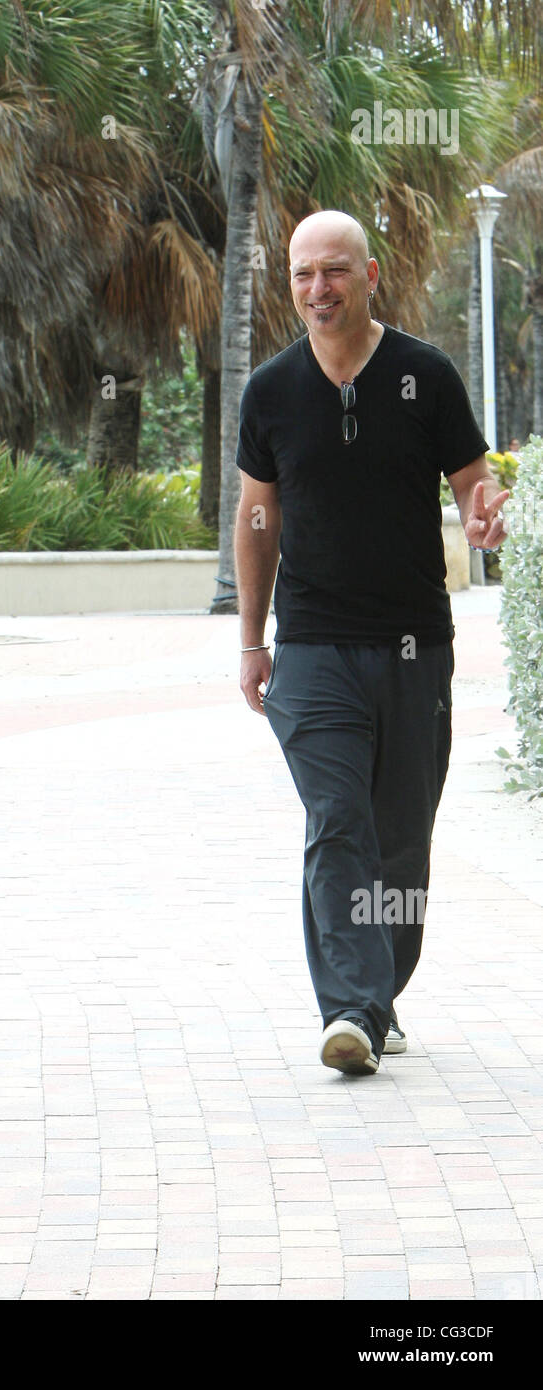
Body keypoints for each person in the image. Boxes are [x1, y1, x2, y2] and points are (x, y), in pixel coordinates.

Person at [235, 209, 508, 1075]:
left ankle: (379, 987)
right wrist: (252, 640)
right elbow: (257, 516)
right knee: (337, 818)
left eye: (335, 272)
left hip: (412, 645)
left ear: (371, 275)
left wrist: (481, 511)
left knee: (400, 833)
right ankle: (349, 1008)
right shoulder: (271, 391)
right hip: (311, 645)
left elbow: (475, 479)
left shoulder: (424, 377)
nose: (318, 290)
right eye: (303, 274)